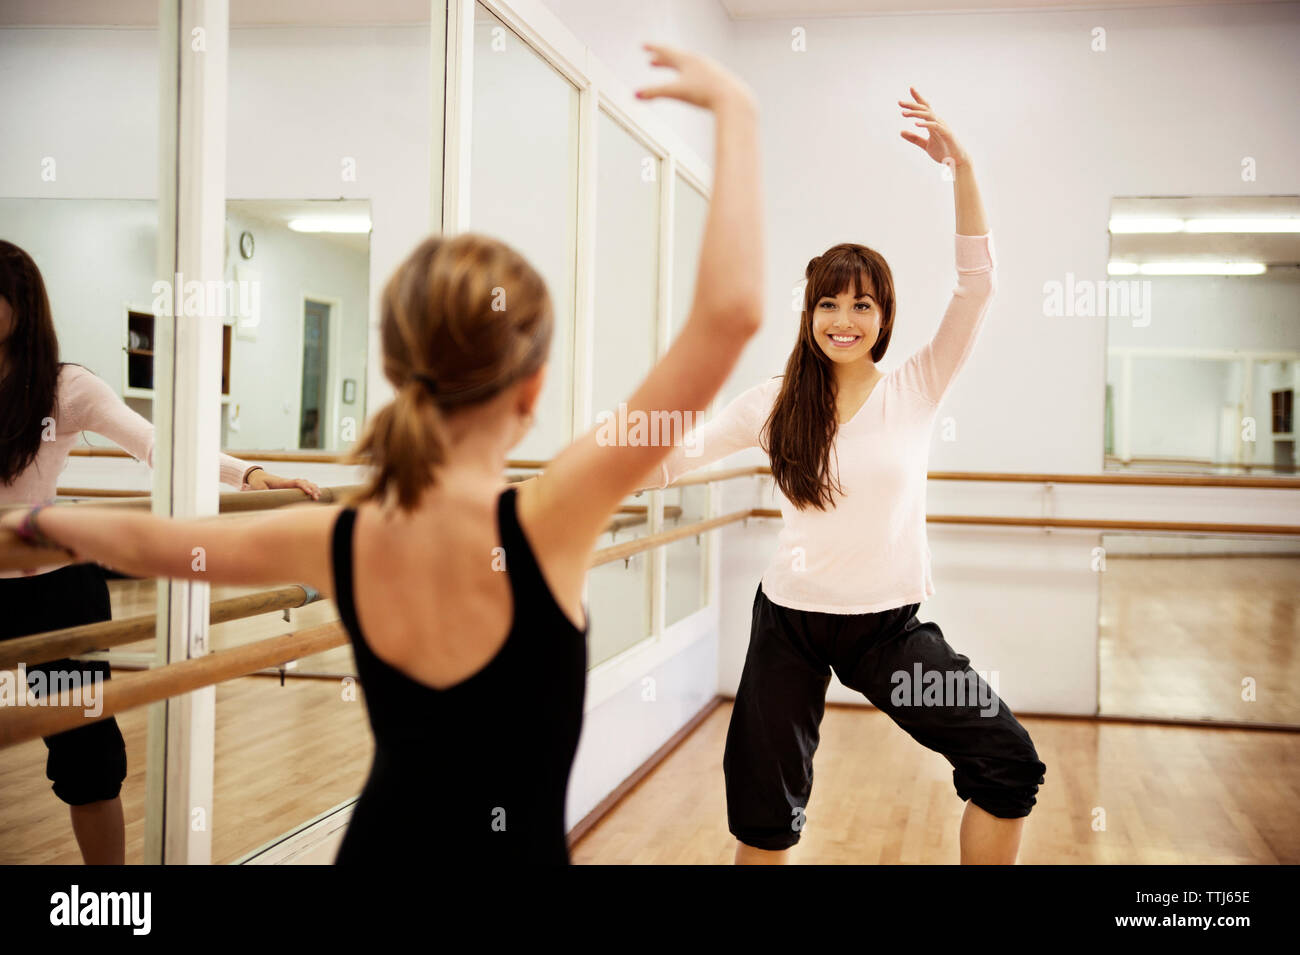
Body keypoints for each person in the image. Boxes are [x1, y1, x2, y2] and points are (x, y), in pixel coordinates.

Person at [1, 43, 765, 864]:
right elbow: (731, 314)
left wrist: (44, 520)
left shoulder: (343, 535)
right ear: (532, 388)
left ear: (398, 368)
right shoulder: (553, 518)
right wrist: (737, 111)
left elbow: (162, 542)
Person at [647, 89, 1045, 864]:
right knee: (763, 814)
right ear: (810, 313)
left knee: (1008, 763)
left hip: (886, 633)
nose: (844, 317)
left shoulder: (917, 387)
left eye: (861, 304)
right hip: (787, 626)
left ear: (883, 317)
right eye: (828, 302)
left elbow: (977, 284)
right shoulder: (774, 403)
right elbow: (676, 455)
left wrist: (961, 167)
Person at [0, 238, 321, 864]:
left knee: (85, 756)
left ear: (21, 306)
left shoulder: (65, 388)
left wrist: (255, 476)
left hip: (54, 595)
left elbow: (162, 447)